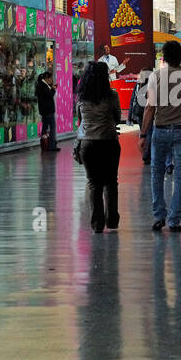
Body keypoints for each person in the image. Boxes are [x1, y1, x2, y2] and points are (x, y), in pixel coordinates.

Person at [140, 39, 181, 232]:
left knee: (157, 174)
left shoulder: (155, 76)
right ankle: (174, 220)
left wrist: (143, 134)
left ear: (164, 57)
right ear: (180, 56)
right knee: (179, 177)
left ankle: (159, 216)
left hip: (160, 130)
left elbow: (150, 108)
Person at [76, 60, 122, 233]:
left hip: (88, 144)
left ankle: (97, 224)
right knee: (111, 181)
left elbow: (80, 121)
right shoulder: (112, 95)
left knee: (93, 183)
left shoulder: (81, 98)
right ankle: (112, 220)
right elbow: (117, 117)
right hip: (109, 142)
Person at [35, 68, 59, 151]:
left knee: (44, 128)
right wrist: (53, 89)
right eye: (50, 78)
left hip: (43, 111)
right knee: (52, 127)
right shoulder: (43, 86)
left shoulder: (40, 85)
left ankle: (44, 145)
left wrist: (51, 88)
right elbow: (49, 95)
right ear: (46, 78)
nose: (51, 80)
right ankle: (51, 146)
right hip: (48, 111)